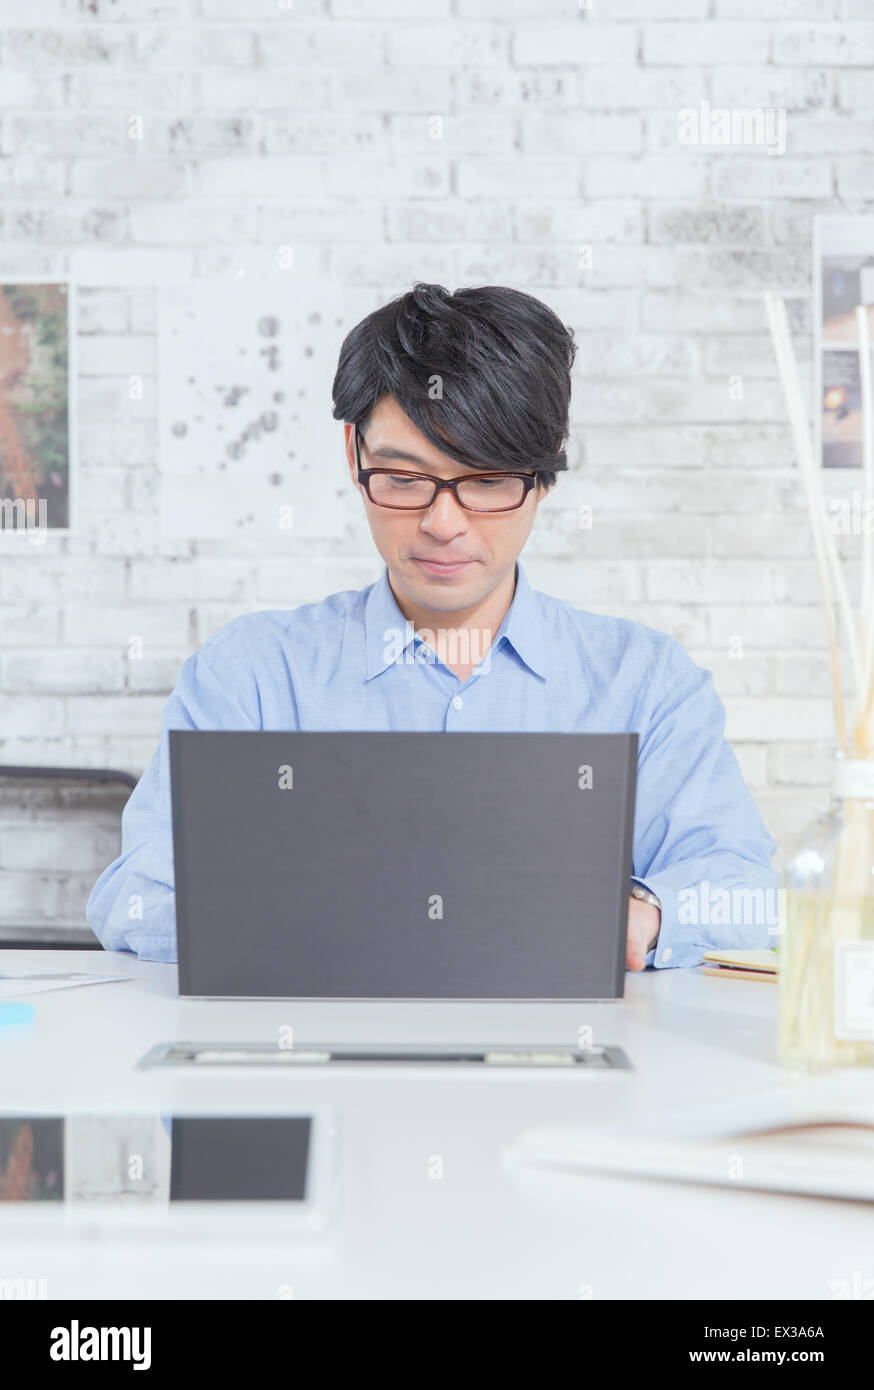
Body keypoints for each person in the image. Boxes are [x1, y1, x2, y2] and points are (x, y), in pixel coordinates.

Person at [87, 281, 779, 968]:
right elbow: (136, 899)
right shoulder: (252, 675)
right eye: (404, 477)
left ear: (544, 472)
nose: (442, 524)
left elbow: (746, 898)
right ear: (354, 454)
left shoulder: (646, 683)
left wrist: (644, 920)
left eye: (486, 481)